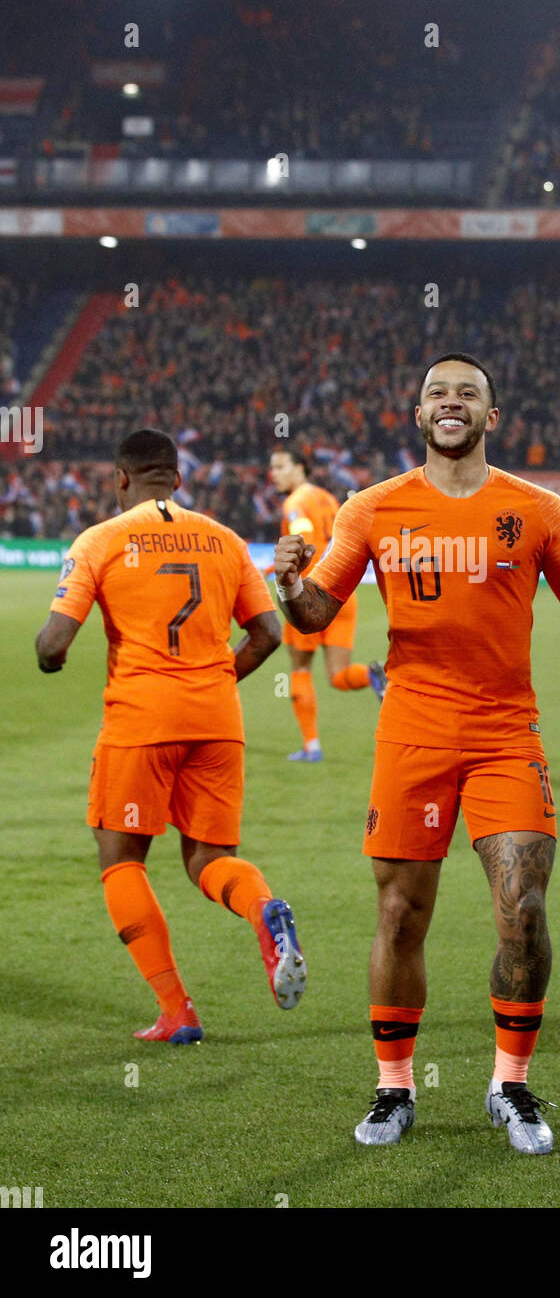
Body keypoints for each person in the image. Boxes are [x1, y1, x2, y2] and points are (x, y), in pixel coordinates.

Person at [273, 353, 560, 1153]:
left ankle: (509, 1085)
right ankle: (394, 1090)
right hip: (411, 730)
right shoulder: (371, 508)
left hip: (507, 733)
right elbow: (313, 613)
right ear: (418, 415)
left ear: (492, 415)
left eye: (467, 393)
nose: (451, 403)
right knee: (401, 913)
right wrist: (288, 586)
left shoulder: (539, 508)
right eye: (437, 394)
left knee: (527, 912)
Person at [35, 429, 306, 1043]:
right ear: (178, 480)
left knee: (122, 861)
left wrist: (47, 661)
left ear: (120, 479)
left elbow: (54, 645)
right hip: (216, 720)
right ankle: (264, 909)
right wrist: (213, 678)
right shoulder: (225, 539)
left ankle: (177, 1011)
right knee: (211, 859)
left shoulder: (100, 540)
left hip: (141, 719)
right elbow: (268, 631)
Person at [268, 445, 385, 763]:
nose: (273, 474)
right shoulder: (328, 499)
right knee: (339, 675)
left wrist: (293, 581)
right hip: (342, 594)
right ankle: (377, 675)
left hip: (310, 592)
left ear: (299, 468)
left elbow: (303, 539)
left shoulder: (295, 502)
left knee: (300, 669)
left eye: (279, 467)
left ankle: (311, 747)